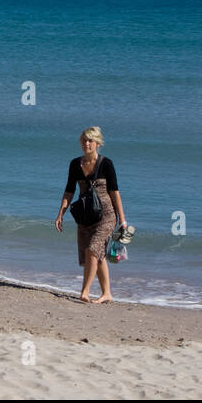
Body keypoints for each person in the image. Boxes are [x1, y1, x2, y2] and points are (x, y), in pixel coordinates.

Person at [55, 126, 128, 303]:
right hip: (85, 215)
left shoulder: (106, 164)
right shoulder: (75, 164)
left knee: (93, 248)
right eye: (84, 140)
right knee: (98, 254)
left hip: (107, 215)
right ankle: (107, 293)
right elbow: (69, 191)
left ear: (97, 143)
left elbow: (114, 192)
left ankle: (85, 292)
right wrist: (60, 214)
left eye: (90, 141)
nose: (86, 143)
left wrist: (123, 219)